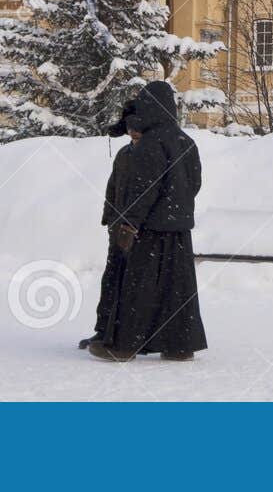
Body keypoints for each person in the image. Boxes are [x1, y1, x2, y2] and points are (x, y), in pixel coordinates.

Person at [89, 81, 207, 363]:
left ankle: (124, 345)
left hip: (150, 229)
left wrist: (130, 223)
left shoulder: (151, 144)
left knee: (138, 287)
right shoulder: (184, 141)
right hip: (178, 229)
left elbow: (143, 188)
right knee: (177, 291)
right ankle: (180, 346)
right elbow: (194, 183)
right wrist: (177, 210)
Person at [81, 99, 140, 353]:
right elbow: (113, 187)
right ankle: (103, 328)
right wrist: (109, 218)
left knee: (129, 282)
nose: (132, 131)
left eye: (136, 127)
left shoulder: (149, 154)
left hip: (136, 228)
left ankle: (122, 334)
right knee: (111, 279)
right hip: (118, 226)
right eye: (129, 127)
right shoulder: (125, 154)